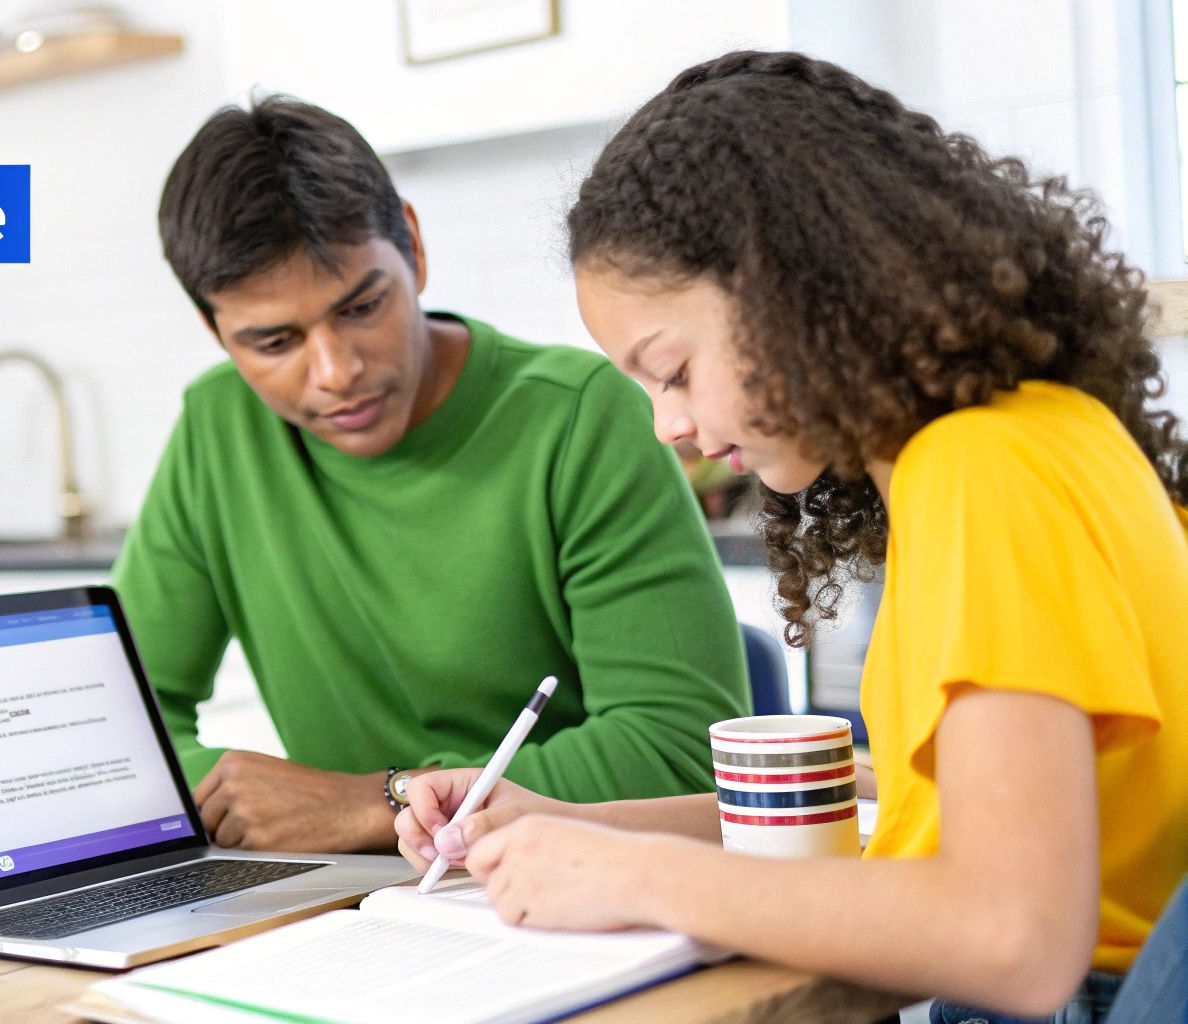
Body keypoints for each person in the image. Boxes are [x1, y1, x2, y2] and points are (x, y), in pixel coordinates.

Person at [397, 51, 1188, 1022]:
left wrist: (635, 876)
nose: (666, 426)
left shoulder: (983, 469)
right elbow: (893, 823)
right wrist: (567, 829)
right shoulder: (1036, 433)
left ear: (797, 289)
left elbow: (1012, 937)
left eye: (671, 369)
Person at [110, 95, 749, 854]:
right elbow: (110, 724)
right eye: (275, 341)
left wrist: (371, 805)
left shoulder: (578, 417)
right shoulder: (218, 429)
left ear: (410, 245)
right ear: (213, 328)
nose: (337, 372)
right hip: (346, 903)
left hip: (569, 885)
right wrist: (236, 793)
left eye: (361, 307)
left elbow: (677, 753)